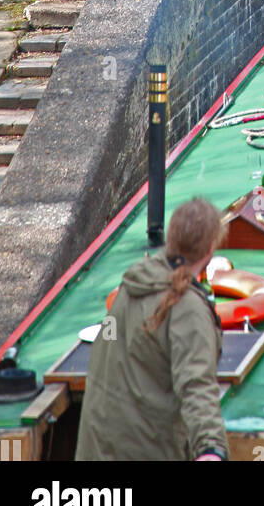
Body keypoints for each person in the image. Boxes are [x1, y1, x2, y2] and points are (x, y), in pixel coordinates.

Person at [75, 197, 230, 461]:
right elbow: (196, 385)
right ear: (210, 250)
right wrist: (211, 448)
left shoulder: (132, 284)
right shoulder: (188, 309)